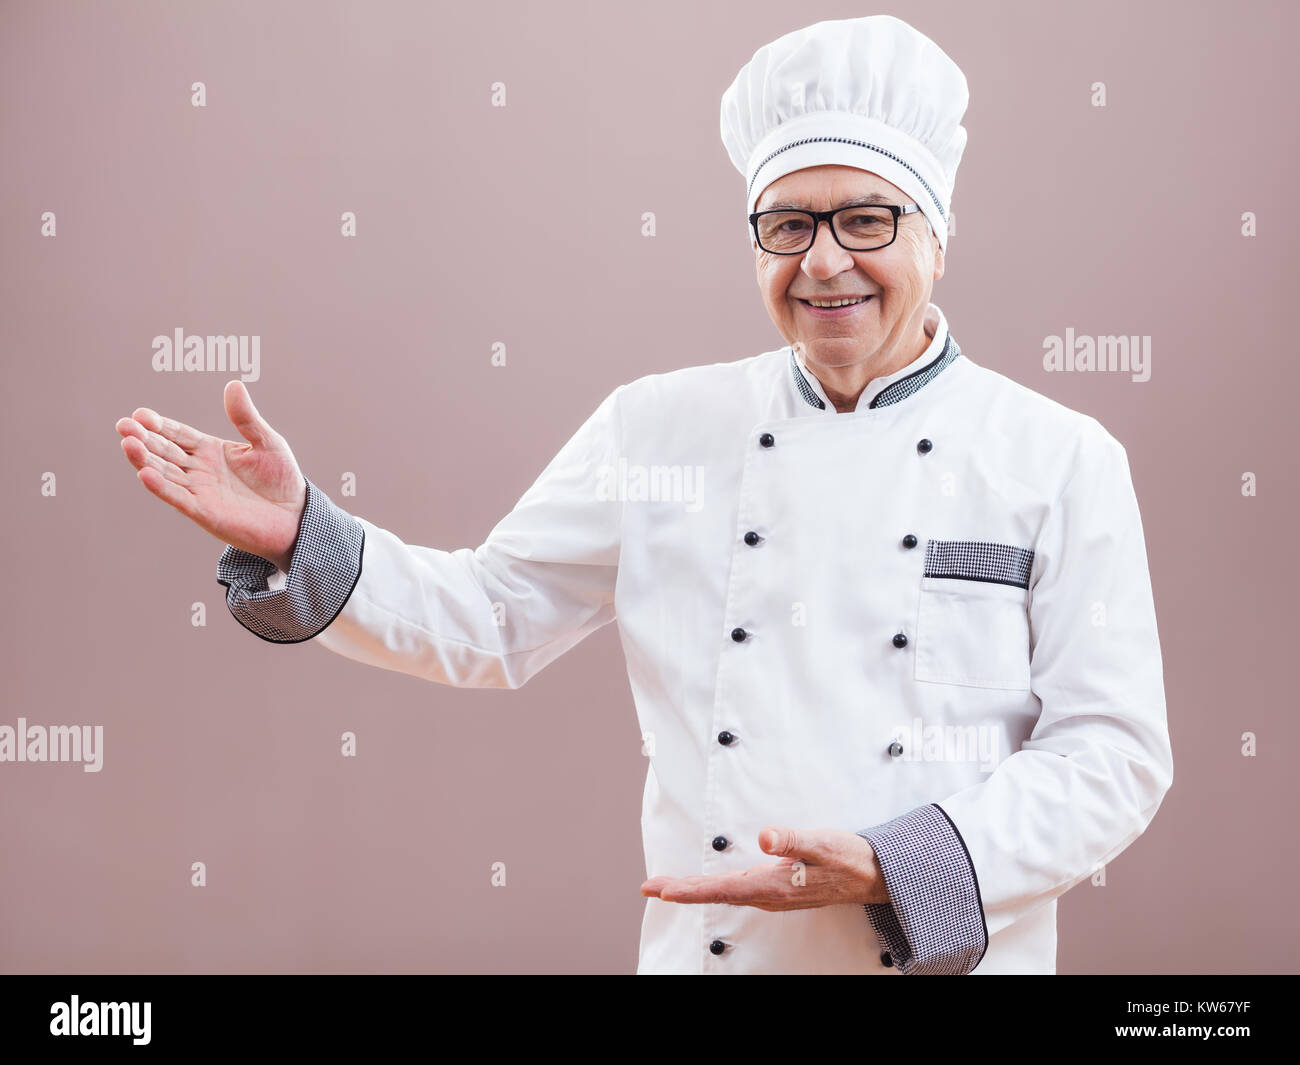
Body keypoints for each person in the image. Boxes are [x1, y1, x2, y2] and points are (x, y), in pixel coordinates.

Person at [114, 15, 1172, 974]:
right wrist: (302, 536)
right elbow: (489, 619)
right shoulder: (657, 429)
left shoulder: (1060, 458)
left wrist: (899, 865)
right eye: (787, 225)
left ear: (936, 239)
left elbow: (1112, 755)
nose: (823, 263)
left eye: (866, 220)